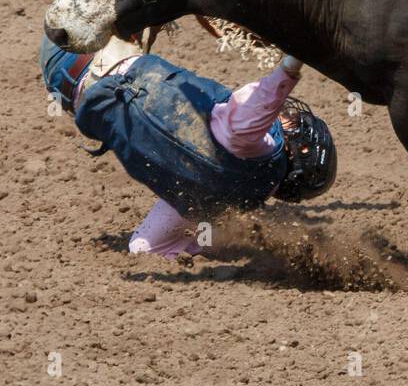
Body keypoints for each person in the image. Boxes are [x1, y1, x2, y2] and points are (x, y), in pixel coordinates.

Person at [40, 36, 336, 258]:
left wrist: (293, 62)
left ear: (301, 149)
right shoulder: (208, 203)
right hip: (71, 93)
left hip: (82, 53)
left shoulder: (255, 142)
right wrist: (213, 244)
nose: (287, 114)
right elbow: (143, 248)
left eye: (294, 121)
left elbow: (263, 101)